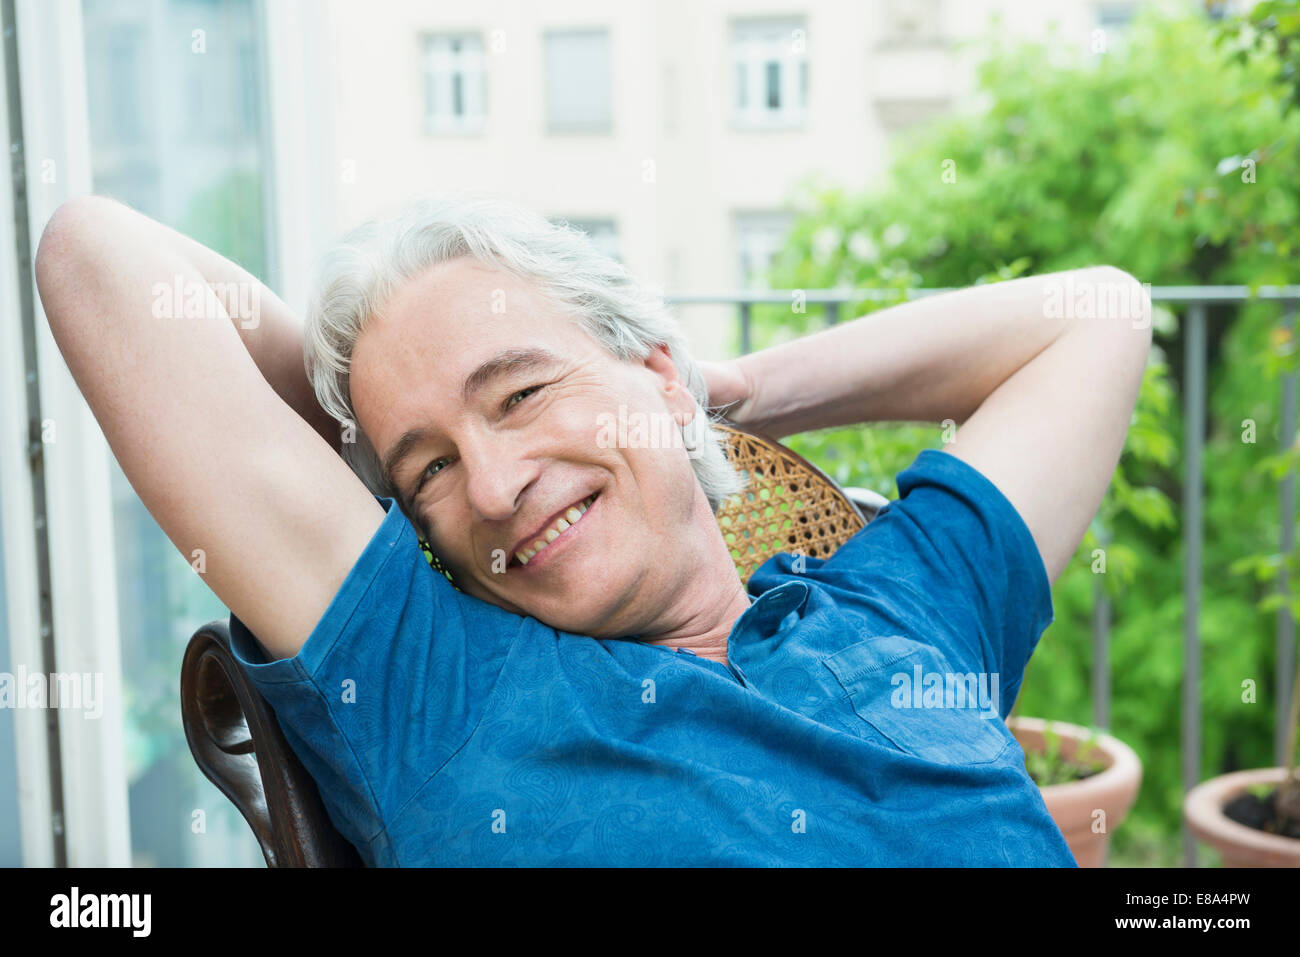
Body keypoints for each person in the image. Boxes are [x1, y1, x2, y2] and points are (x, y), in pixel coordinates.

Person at [35, 191, 1150, 866]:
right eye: (427, 468)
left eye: (520, 395)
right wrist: (352, 412)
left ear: (656, 377)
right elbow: (97, 258)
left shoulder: (898, 604)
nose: (491, 483)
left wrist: (730, 386)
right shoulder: (433, 690)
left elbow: (1097, 314)